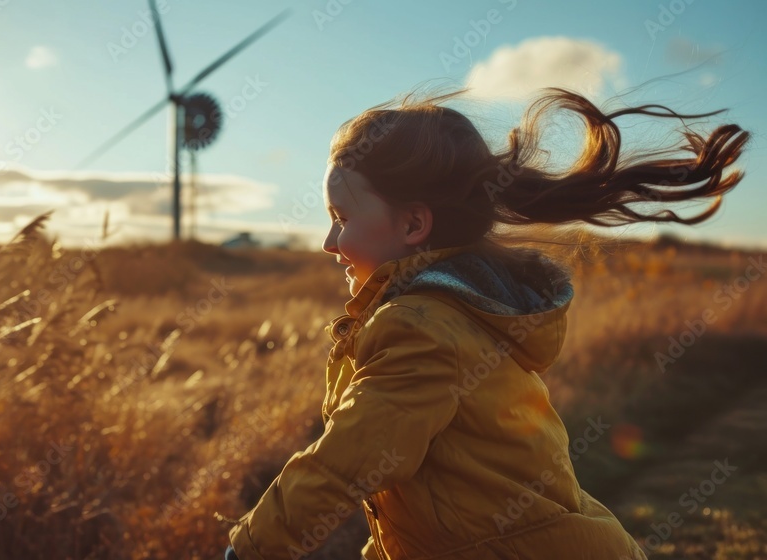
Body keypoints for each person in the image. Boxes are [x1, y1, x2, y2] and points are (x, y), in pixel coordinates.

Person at [224, 87, 749, 559]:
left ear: (412, 223)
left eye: (341, 218)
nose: (328, 243)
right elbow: (428, 498)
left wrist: (249, 550)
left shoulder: (421, 328)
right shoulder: (459, 312)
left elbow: (345, 462)